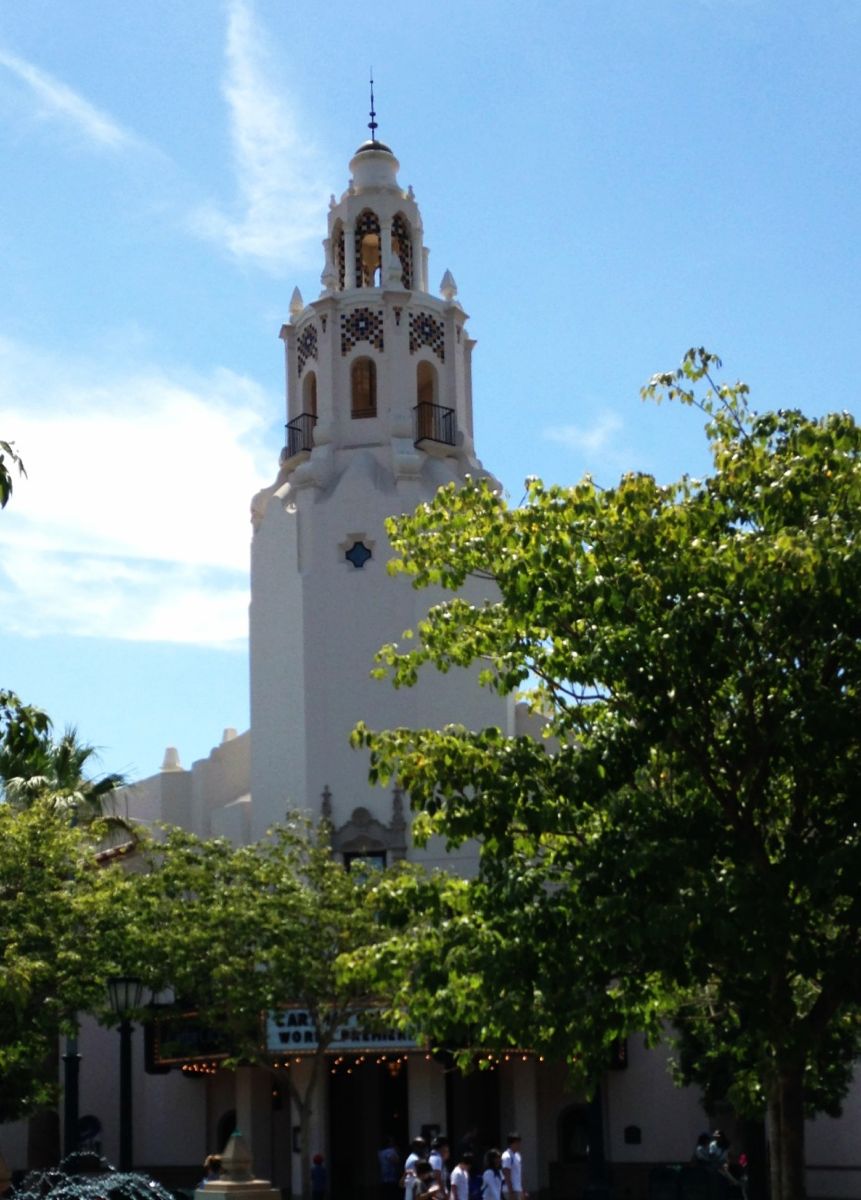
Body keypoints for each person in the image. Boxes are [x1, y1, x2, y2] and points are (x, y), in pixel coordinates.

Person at [501, 1134, 525, 1200]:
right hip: (510, 1190)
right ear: (512, 1143)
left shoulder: (518, 1156)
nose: (519, 1145)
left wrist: (522, 1190)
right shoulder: (507, 1156)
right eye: (517, 1143)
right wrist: (511, 1192)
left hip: (518, 1189)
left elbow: (519, 1174)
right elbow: (506, 1174)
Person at [379, 1135, 401, 1200]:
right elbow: (395, 1161)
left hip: (383, 1178)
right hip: (392, 1178)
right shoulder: (391, 1151)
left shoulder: (380, 1152)